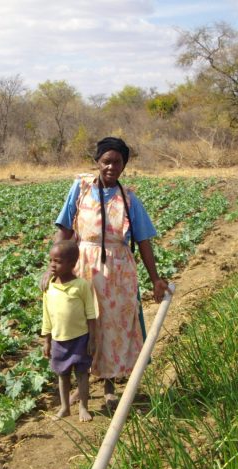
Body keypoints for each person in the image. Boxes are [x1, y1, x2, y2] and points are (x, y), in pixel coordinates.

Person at [50, 136, 169, 411]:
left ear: (124, 165)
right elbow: (65, 229)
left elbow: (143, 241)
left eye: (117, 162)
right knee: (84, 326)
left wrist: (155, 279)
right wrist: (53, 268)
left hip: (118, 272)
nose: (111, 167)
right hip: (83, 265)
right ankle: (82, 387)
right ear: (97, 162)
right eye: (106, 162)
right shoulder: (80, 190)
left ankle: (108, 385)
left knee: (113, 327)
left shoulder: (128, 198)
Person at [41, 239, 97, 422]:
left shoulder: (81, 285)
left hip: (80, 338)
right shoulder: (49, 287)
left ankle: (83, 407)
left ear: (72, 264)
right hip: (58, 339)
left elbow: (91, 314)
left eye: (57, 261)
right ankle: (65, 407)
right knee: (62, 375)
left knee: (82, 374)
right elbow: (46, 315)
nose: (52, 265)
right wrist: (47, 340)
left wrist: (92, 339)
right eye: (51, 261)